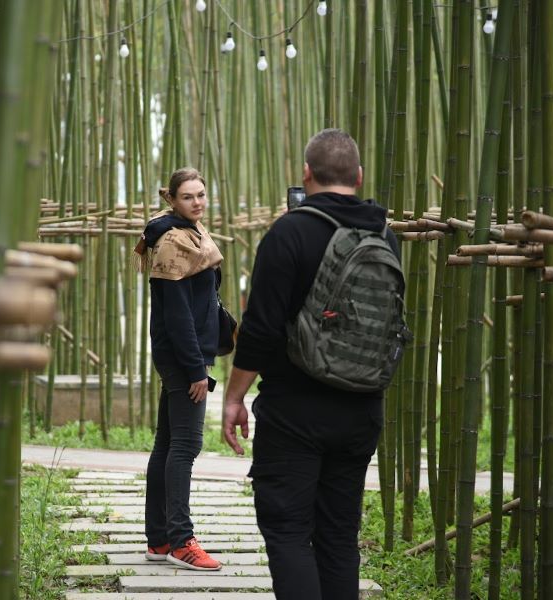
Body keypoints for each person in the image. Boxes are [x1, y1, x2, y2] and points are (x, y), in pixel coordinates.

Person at [221, 129, 399, 599]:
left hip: (295, 411)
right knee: (338, 535)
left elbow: (260, 328)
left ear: (306, 174)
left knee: (288, 530)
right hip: (362, 408)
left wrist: (235, 396)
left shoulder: (290, 231)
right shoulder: (384, 232)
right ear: (358, 177)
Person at [135, 167, 223, 572]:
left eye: (201, 194)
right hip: (182, 356)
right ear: (171, 199)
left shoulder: (191, 233)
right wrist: (195, 370)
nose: (197, 202)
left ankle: (159, 539)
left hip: (182, 354)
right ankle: (181, 540)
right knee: (185, 447)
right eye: (188, 196)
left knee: (168, 444)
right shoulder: (172, 240)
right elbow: (177, 314)